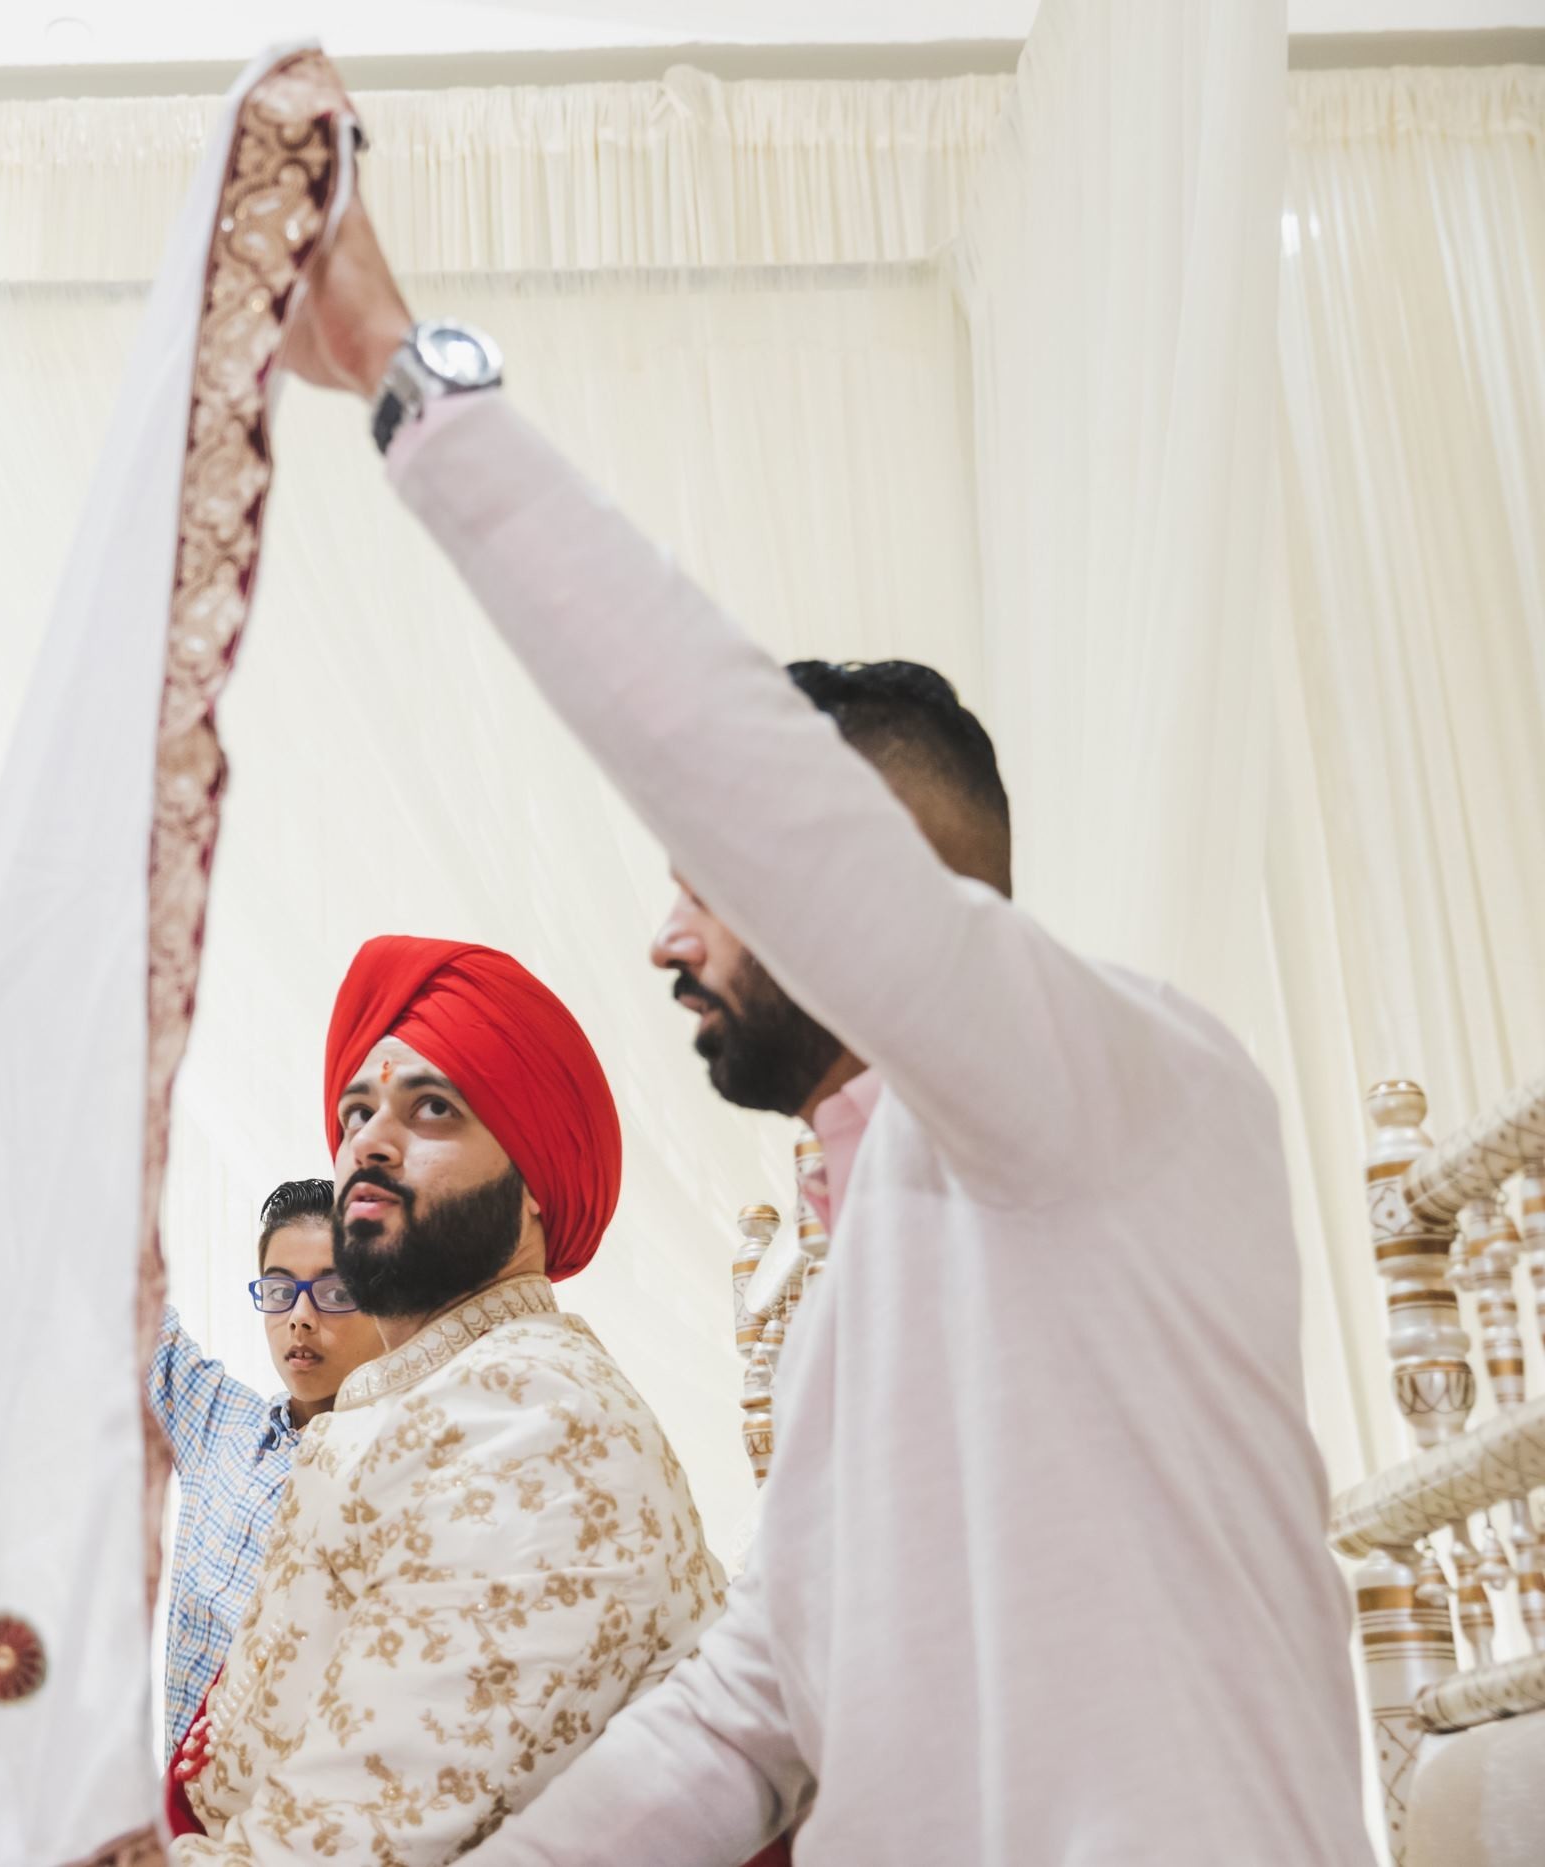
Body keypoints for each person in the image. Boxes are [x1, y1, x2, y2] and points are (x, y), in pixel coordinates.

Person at [277, 197, 1372, 1864]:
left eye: (704, 877)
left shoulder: (1127, 1086)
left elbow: (736, 764)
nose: (664, 935)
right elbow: (753, 1702)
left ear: (846, 855)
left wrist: (406, 381)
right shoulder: (871, 1271)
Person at [170, 935, 723, 1863]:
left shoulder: (541, 1434)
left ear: (538, 1186)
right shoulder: (418, 1403)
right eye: (355, 1111)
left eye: (431, 1107)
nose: (369, 1141)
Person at [153, 1177, 386, 1754]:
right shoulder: (224, 1425)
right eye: (280, 1291)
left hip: (299, 1816)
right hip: (181, 1811)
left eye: (335, 1292)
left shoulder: (398, 1469)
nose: (300, 1318)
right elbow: (131, 1306)